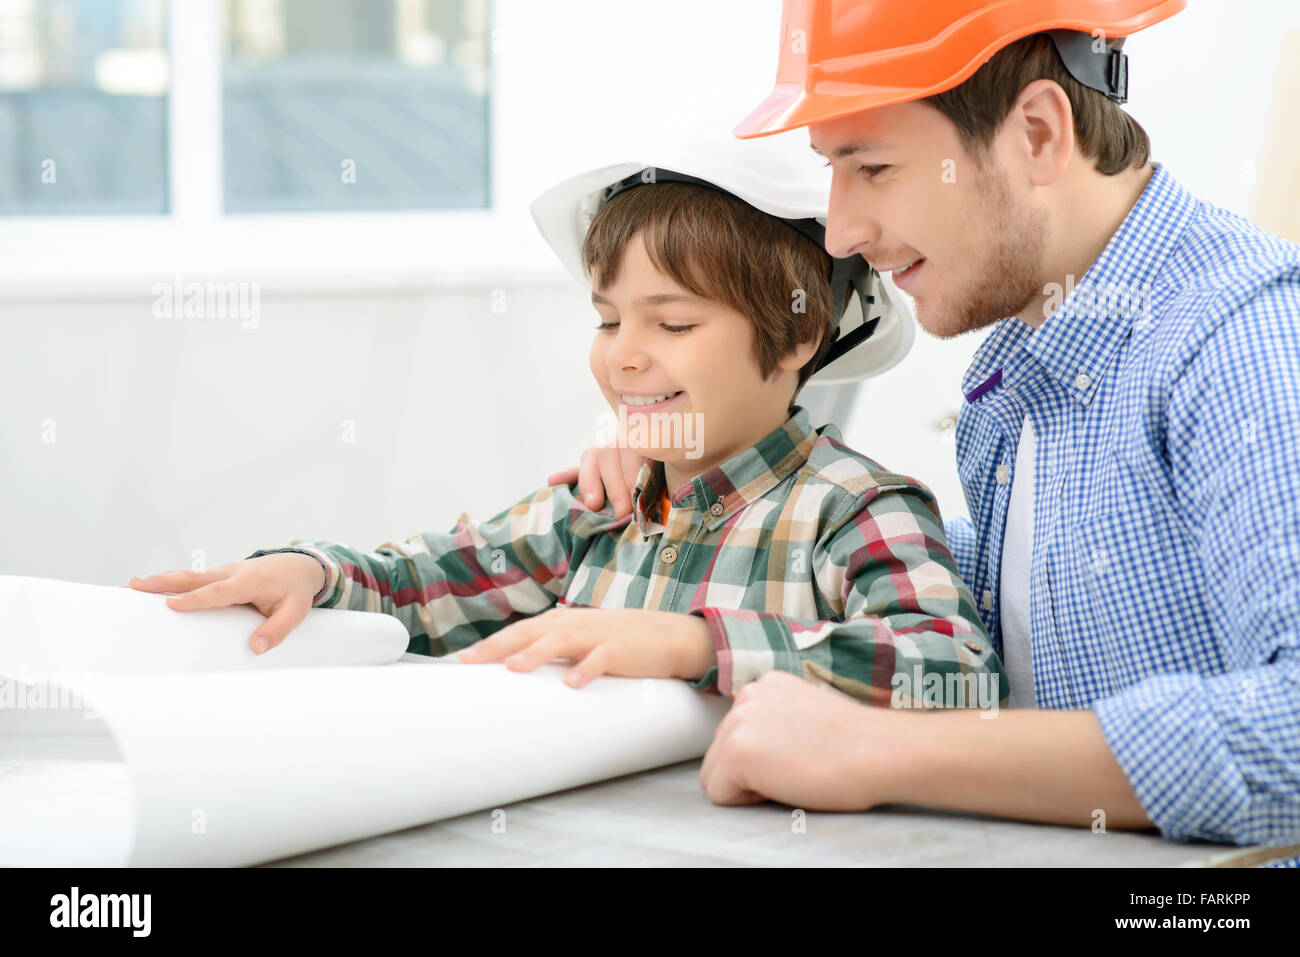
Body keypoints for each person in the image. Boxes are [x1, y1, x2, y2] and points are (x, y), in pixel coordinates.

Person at [559, 0, 1300, 859]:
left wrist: (878, 752)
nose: (842, 230)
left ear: (1035, 134)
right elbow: (963, 616)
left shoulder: (1246, 343)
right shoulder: (1014, 387)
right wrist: (709, 489)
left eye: (871, 167)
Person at [128, 111, 1006, 710]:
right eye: (607, 318)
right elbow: (426, 586)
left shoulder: (852, 511)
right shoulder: (601, 508)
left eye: (673, 321)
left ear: (795, 340)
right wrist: (313, 572)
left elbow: (959, 674)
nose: (624, 353)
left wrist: (693, 646)